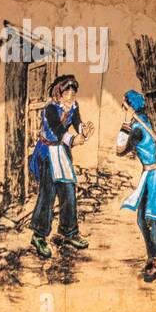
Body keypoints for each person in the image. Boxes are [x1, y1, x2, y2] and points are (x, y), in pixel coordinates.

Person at [28, 74, 93, 259]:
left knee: (69, 191)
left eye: (73, 91)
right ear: (59, 91)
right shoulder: (50, 108)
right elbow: (58, 130)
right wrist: (74, 140)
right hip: (47, 152)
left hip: (62, 153)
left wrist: (83, 131)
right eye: (67, 91)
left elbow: (77, 122)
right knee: (48, 194)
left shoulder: (73, 106)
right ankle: (38, 236)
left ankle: (69, 231)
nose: (71, 94)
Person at [116, 90, 156, 282]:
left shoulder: (138, 128)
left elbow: (120, 150)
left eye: (125, 105)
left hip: (152, 176)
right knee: (146, 218)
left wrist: (126, 123)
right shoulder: (146, 121)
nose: (123, 108)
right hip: (151, 174)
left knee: (148, 219)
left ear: (130, 107)